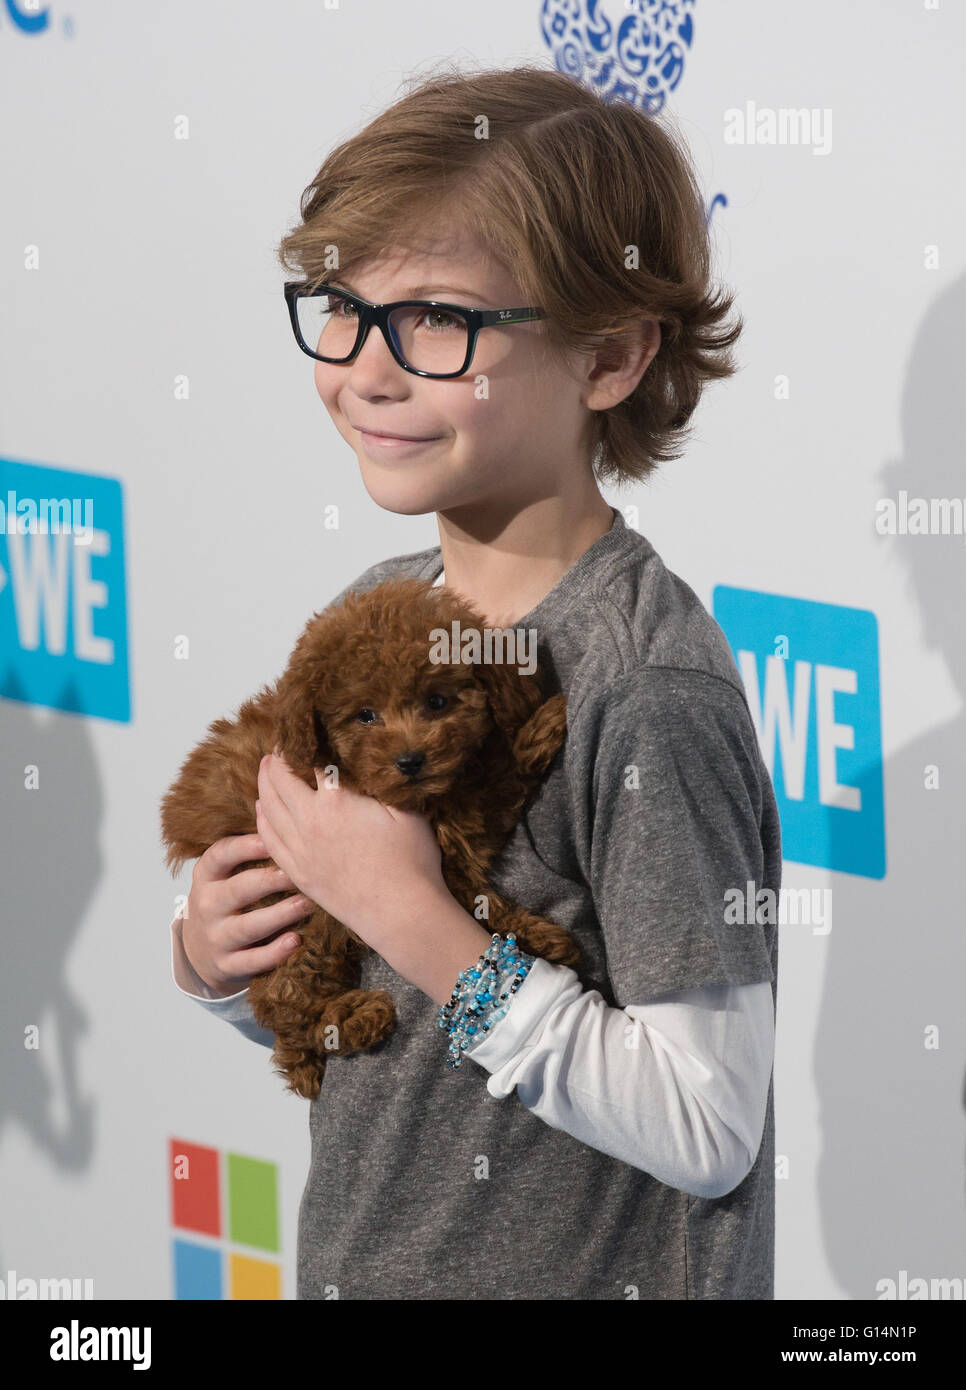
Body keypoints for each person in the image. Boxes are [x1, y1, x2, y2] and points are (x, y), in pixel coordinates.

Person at [169, 63, 781, 1300]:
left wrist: (410, 914)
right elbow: (383, 1025)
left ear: (609, 357)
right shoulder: (373, 619)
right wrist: (221, 959)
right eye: (340, 305)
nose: (367, 370)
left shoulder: (645, 687)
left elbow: (708, 1129)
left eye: (437, 321)